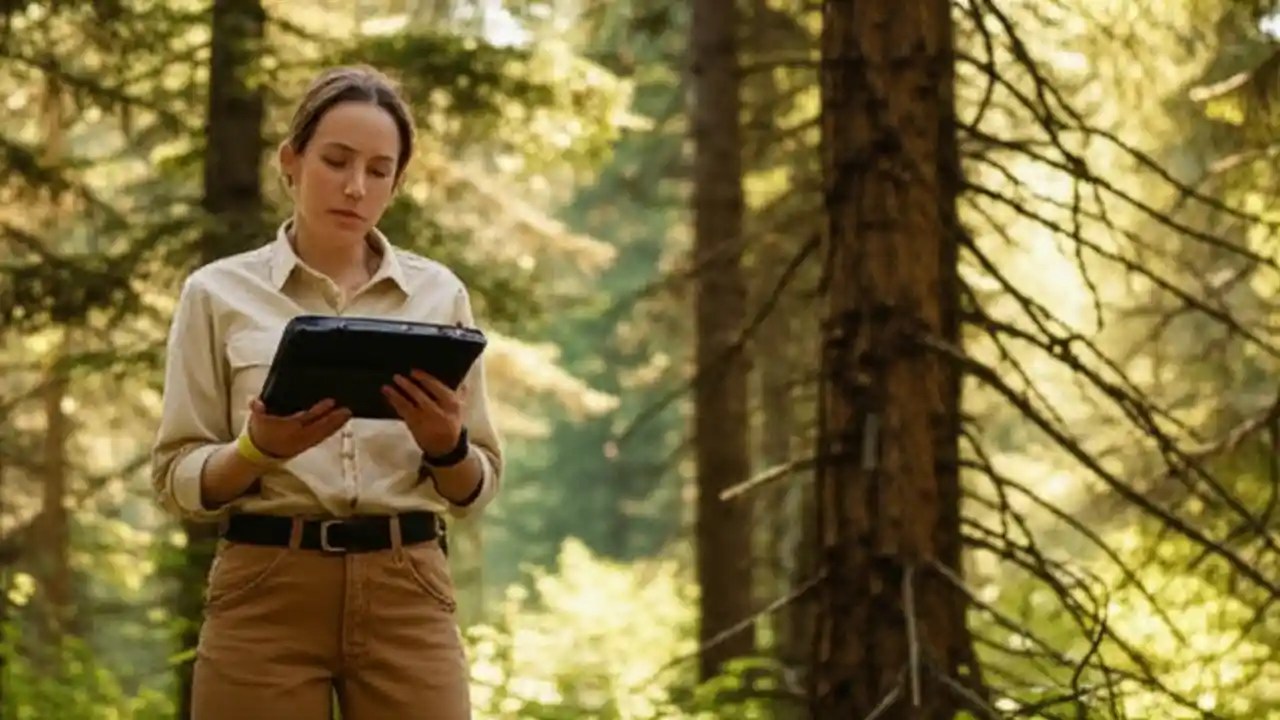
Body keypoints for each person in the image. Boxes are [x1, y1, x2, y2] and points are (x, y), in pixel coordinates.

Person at [150, 65, 503, 720]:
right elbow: (176, 479)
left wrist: (445, 445)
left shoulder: (440, 296)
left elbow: (478, 486)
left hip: (410, 586)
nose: (354, 186)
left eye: (378, 169)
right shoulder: (216, 293)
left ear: (396, 182)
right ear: (291, 160)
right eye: (336, 160)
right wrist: (257, 450)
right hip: (265, 587)